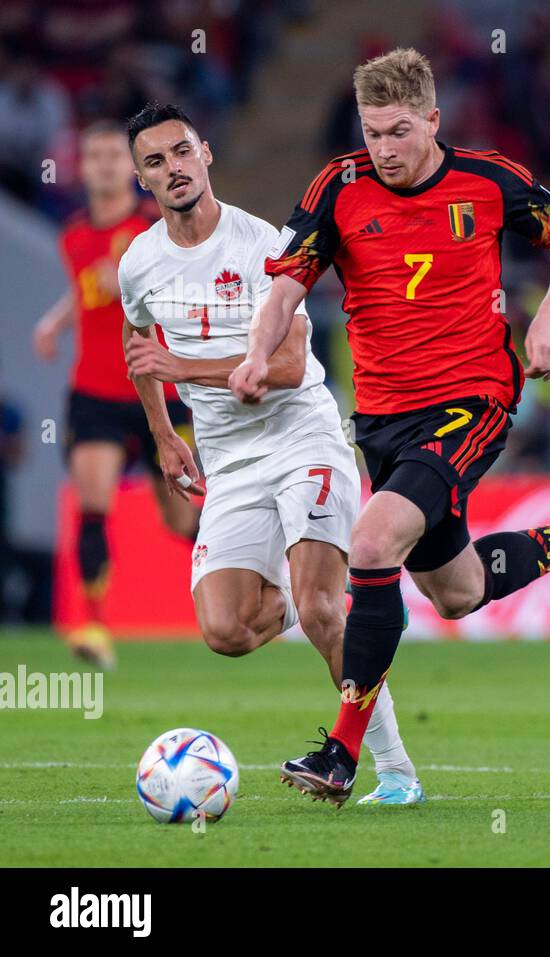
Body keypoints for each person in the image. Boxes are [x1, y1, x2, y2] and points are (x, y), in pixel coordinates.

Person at [229, 49, 550, 807]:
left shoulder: (489, 180)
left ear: (432, 120)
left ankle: (341, 752)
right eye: (372, 134)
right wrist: (257, 356)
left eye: (398, 131)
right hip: (383, 416)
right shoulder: (339, 185)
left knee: (371, 540)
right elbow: (286, 289)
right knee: (456, 592)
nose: (385, 150)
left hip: (472, 397)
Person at [118, 102, 420, 806]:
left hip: (300, 435)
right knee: (225, 629)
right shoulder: (139, 263)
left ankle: (394, 771)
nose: (174, 168)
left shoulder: (264, 246)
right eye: (156, 161)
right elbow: (138, 352)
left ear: (207, 153)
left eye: (182, 151)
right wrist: (165, 435)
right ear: (142, 179)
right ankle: (301, 589)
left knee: (322, 610)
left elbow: (285, 366)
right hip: (226, 457)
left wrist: (181, 368)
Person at [32, 120, 198, 669]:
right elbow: (87, 292)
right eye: (93, 157)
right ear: (81, 167)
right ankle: (94, 626)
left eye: (112, 156)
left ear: (130, 168)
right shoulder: (73, 235)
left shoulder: (158, 227)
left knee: (186, 521)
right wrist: (56, 322)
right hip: (96, 392)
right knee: (93, 504)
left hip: (161, 387)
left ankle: (262, 583)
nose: (103, 166)